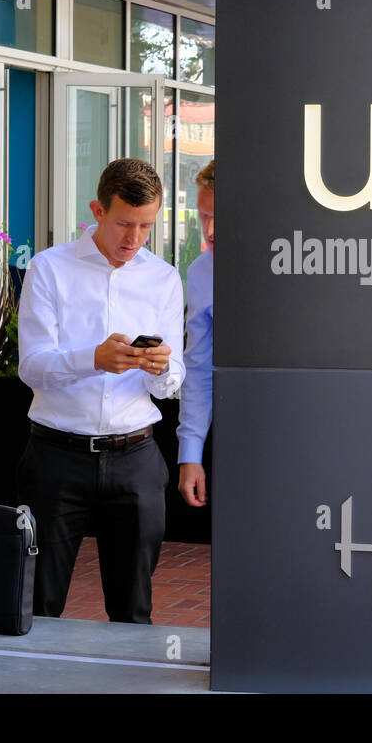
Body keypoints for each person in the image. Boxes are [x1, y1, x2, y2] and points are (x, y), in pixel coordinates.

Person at [16, 158, 184, 623]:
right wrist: (93, 359)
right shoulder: (49, 269)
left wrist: (161, 366)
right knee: (35, 605)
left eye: (146, 226)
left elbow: (171, 384)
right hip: (56, 458)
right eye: (124, 224)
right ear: (97, 210)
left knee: (134, 610)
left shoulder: (164, 278)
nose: (133, 239)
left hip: (136, 460)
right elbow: (31, 367)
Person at [177, 161, 215, 511]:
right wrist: (190, 454)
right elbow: (199, 368)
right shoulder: (201, 272)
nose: (210, 229)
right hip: (236, 434)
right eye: (203, 216)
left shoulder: (292, 260)